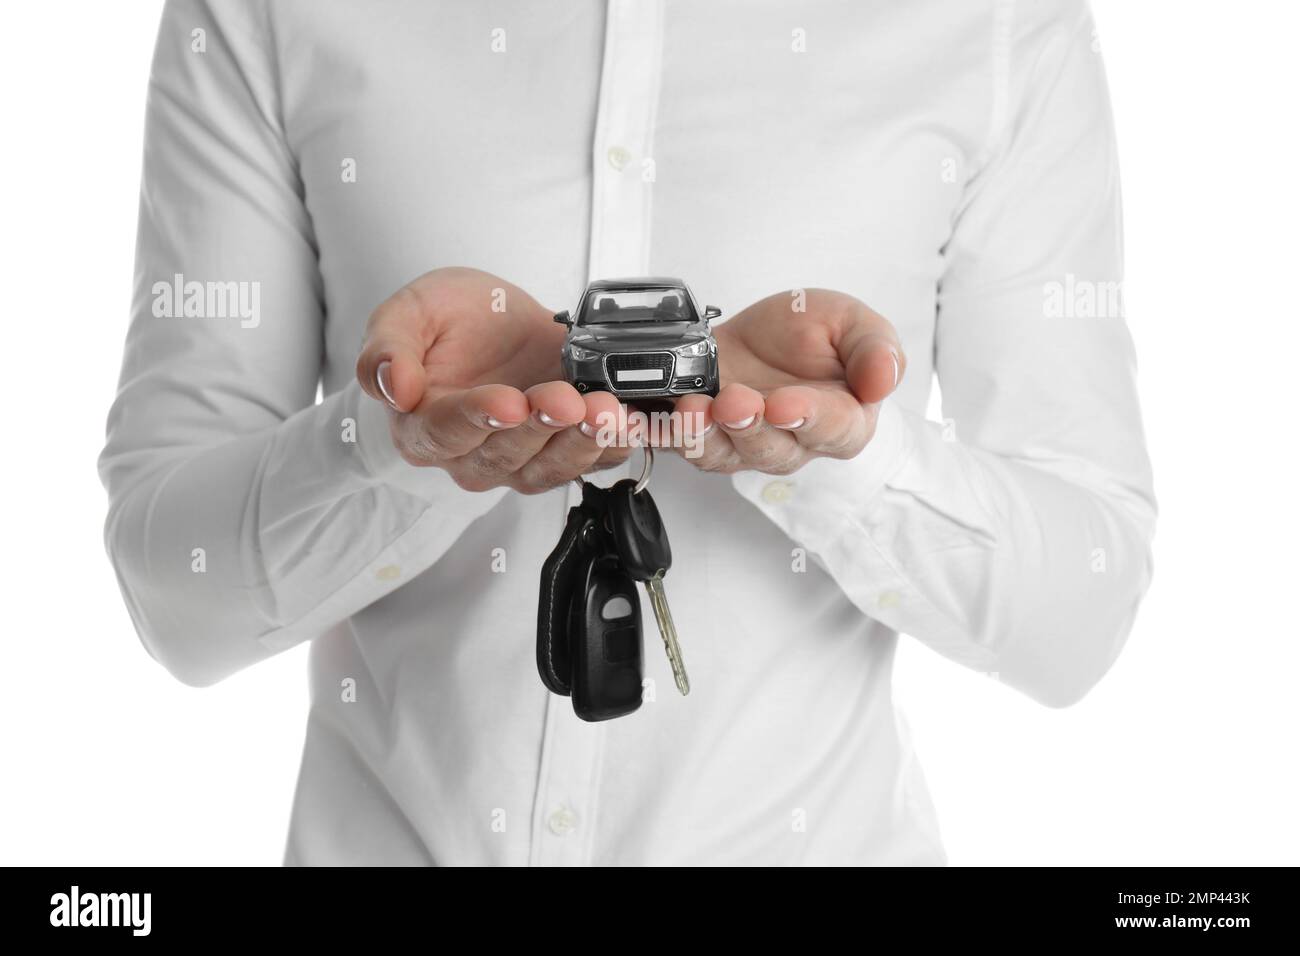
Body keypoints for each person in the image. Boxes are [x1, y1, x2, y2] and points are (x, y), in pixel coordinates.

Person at [99, 0, 1155, 865]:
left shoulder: (998, 25)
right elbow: (175, 596)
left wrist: (849, 467)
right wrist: (393, 447)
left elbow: (1076, 620)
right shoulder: (261, 13)